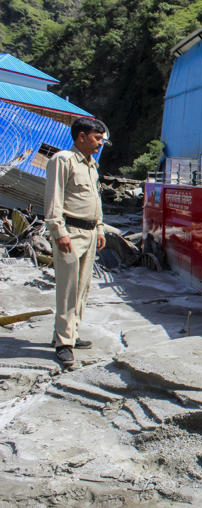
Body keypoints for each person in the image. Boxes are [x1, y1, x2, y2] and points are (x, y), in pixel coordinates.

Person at [44, 117, 107, 368]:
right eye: (96, 139)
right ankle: (63, 343)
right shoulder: (62, 160)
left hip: (90, 233)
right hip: (70, 232)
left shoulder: (92, 165)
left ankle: (70, 333)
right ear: (81, 137)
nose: (99, 144)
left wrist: (100, 228)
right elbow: (54, 200)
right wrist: (59, 233)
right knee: (68, 289)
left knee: (82, 288)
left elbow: (95, 199)